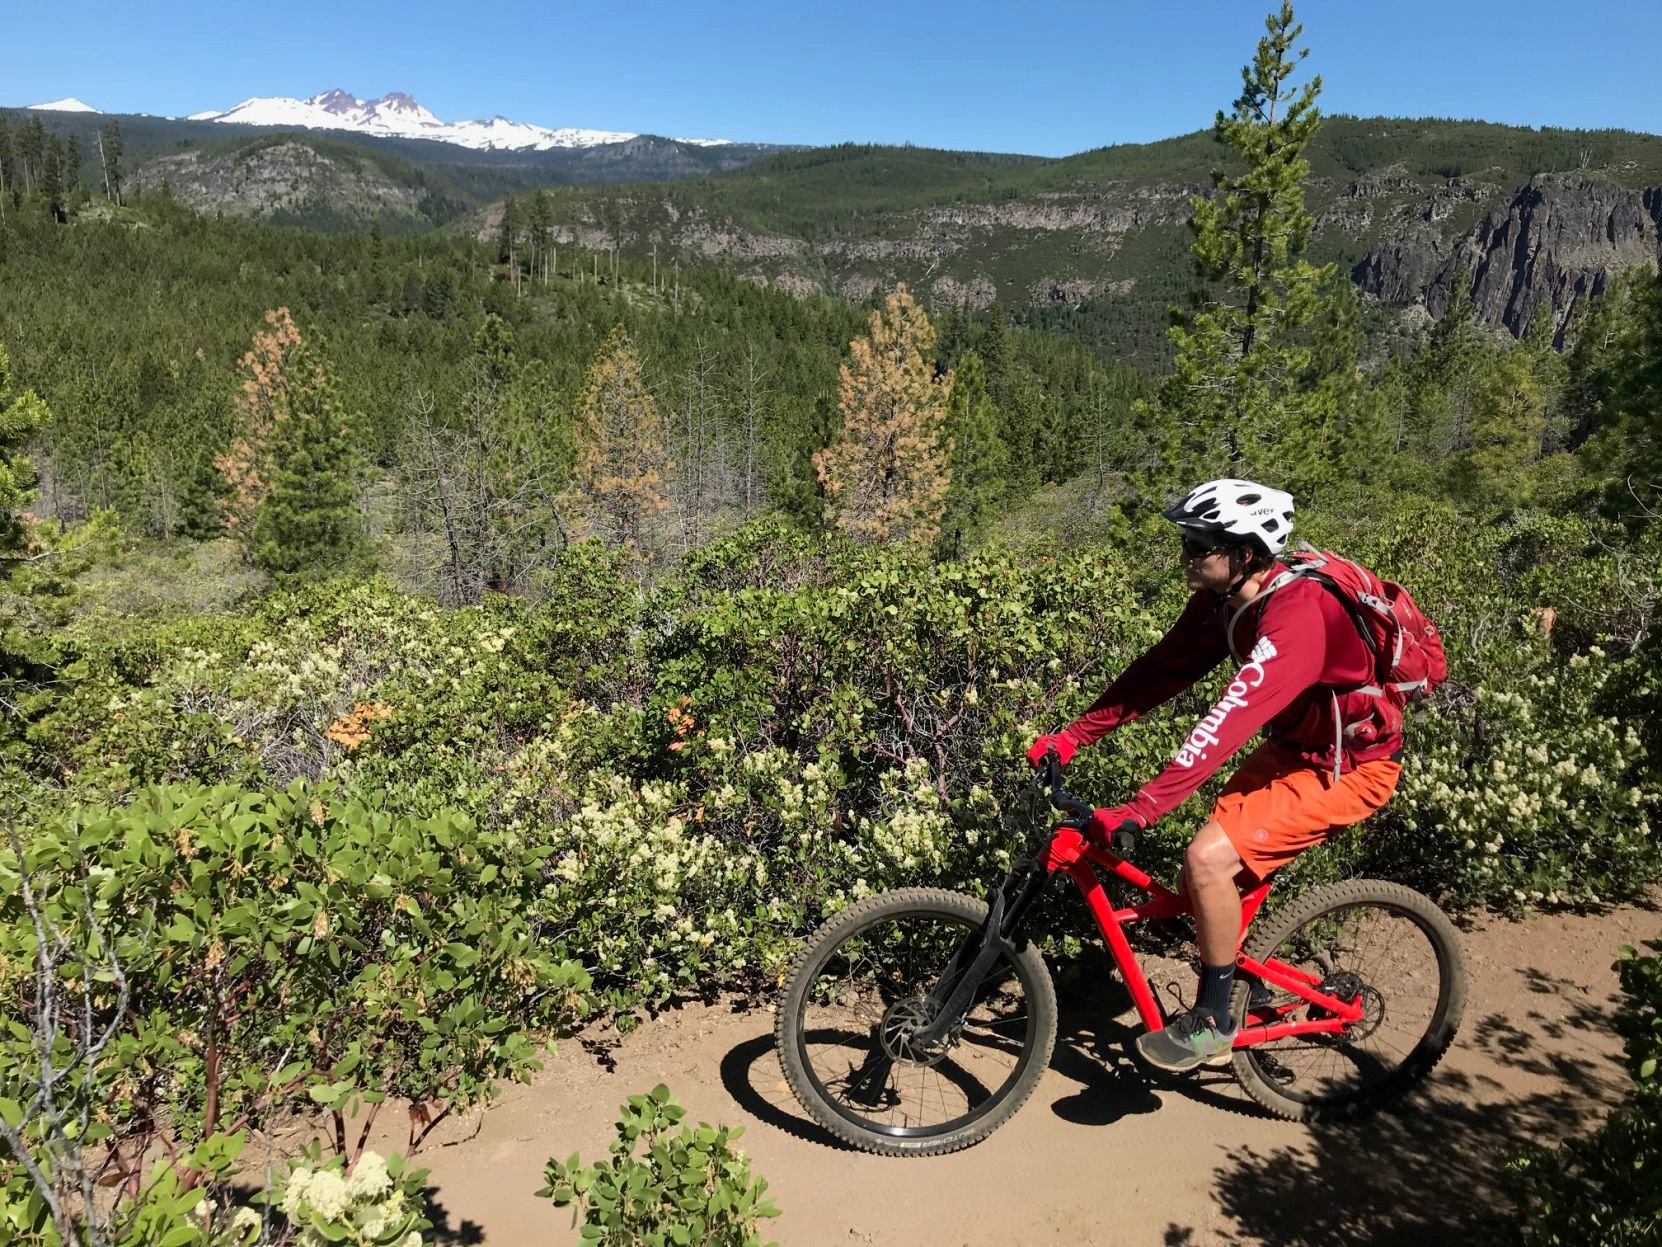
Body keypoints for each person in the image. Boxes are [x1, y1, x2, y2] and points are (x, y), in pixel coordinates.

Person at [1026, 479, 1405, 1073]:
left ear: (1247, 554)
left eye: (1200, 546)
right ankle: (1245, 980)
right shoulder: (1224, 603)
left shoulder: (1300, 617)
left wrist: (1144, 806)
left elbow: (1228, 719)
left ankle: (1214, 1020)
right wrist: (1073, 736)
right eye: (1187, 542)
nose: (1186, 556)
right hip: (1293, 753)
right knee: (1202, 870)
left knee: (1207, 862)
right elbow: (1160, 672)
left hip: (1349, 769)